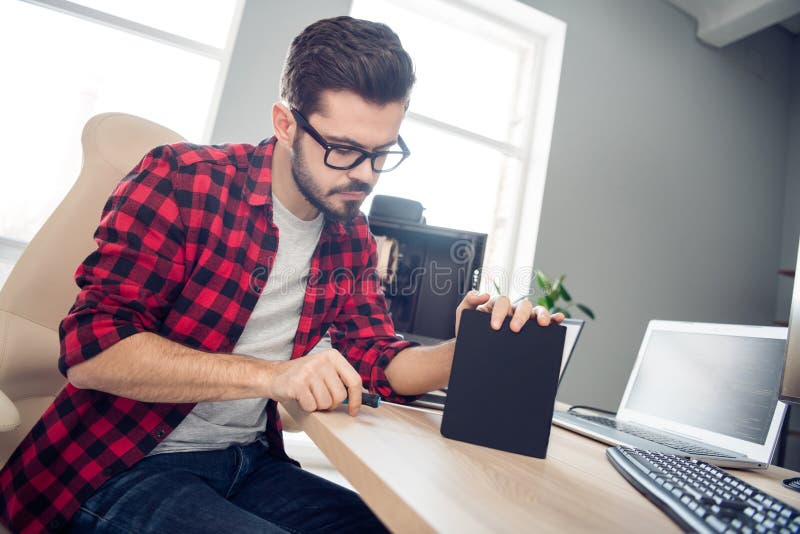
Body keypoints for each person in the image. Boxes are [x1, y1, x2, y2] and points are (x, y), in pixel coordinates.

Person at [0, 15, 562, 534]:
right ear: (285, 123)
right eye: (343, 150)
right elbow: (92, 351)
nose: (365, 176)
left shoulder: (350, 236)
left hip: (250, 461)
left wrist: (463, 352)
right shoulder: (180, 179)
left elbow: (375, 358)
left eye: (381, 153)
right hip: (116, 466)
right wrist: (274, 376)